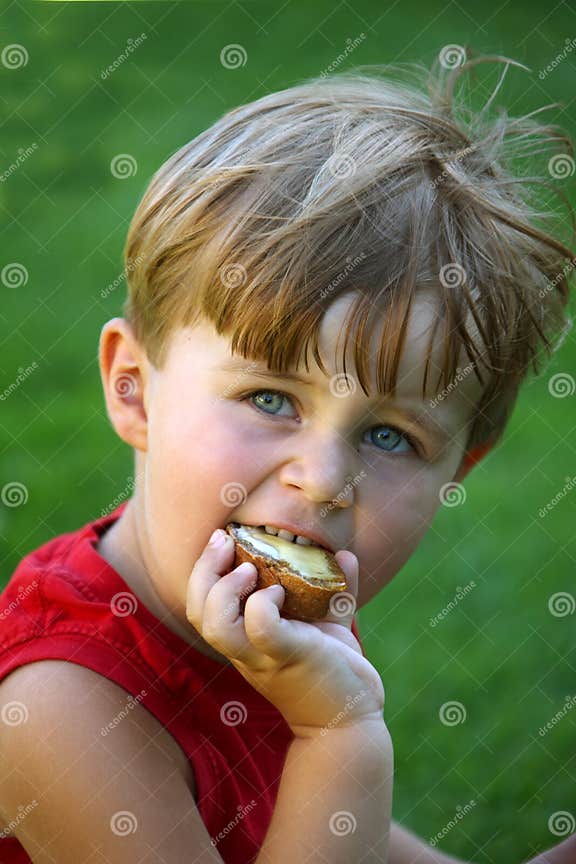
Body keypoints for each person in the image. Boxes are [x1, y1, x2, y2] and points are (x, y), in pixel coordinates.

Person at [0, 55, 574, 864]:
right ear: (135, 390)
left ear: (457, 474)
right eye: (271, 399)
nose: (326, 479)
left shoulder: (277, 628)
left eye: (390, 437)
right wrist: (338, 737)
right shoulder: (59, 704)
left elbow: (296, 819)